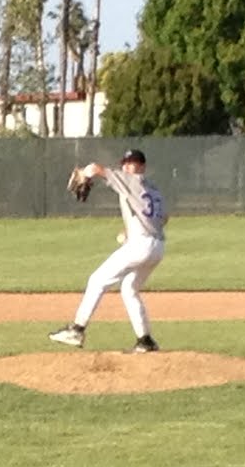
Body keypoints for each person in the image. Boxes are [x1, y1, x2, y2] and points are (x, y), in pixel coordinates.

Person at [49, 148, 167, 354]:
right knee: (129, 289)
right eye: (126, 163)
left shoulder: (131, 181)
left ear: (142, 167)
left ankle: (77, 330)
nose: (129, 166)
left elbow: (96, 168)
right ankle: (145, 340)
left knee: (97, 280)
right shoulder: (154, 189)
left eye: (134, 163)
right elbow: (163, 218)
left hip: (140, 246)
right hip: (157, 247)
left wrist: (85, 174)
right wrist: (131, 230)